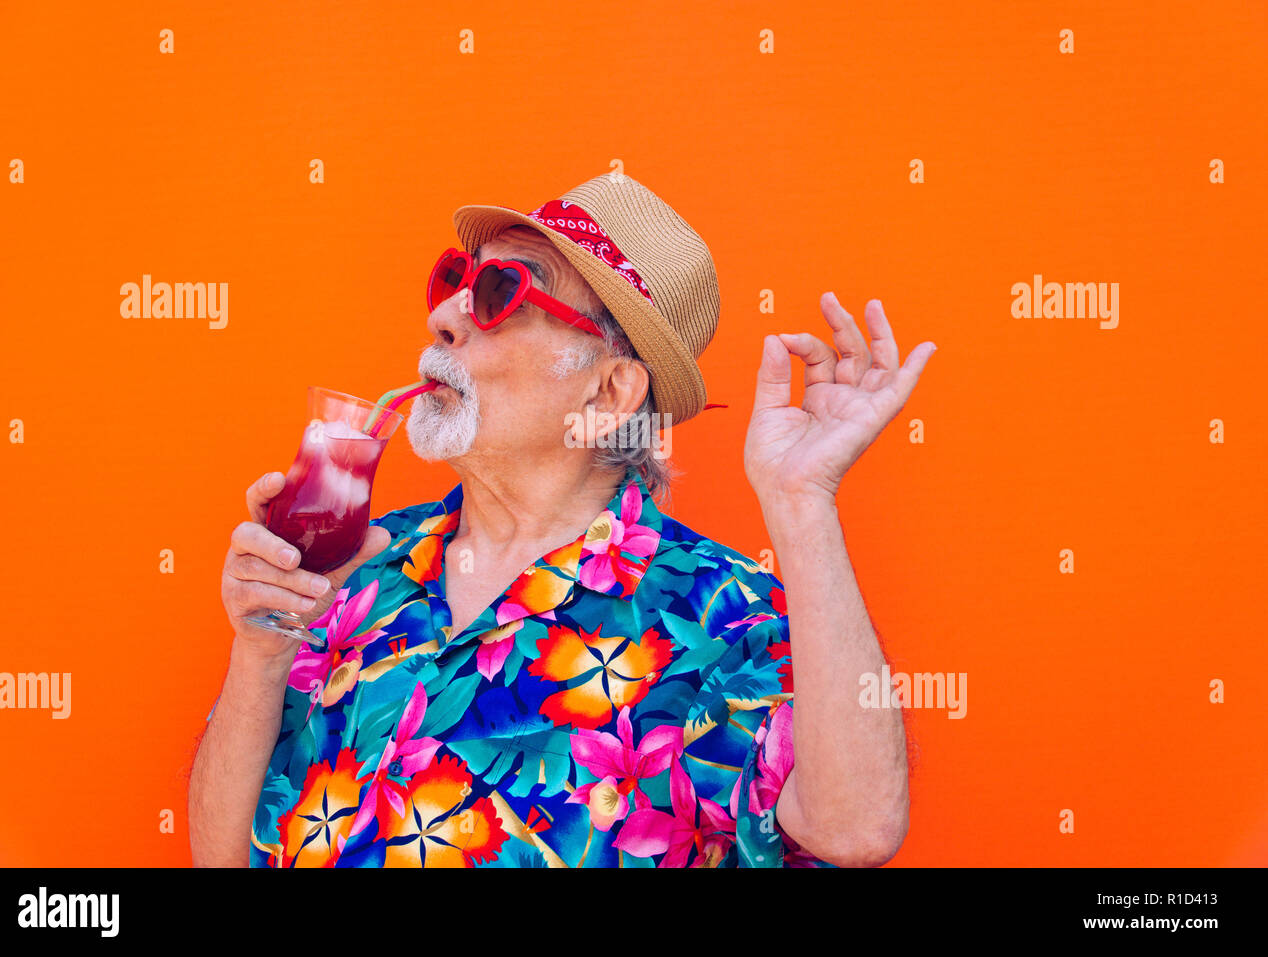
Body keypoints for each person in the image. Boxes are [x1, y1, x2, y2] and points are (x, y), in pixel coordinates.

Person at [188, 172, 936, 867]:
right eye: (455, 279)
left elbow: (857, 829)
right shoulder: (355, 573)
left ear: (608, 392)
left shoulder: (722, 615)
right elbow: (218, 857)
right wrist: (260, 653)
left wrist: (802, 499)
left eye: (498, 292)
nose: (442, 316)